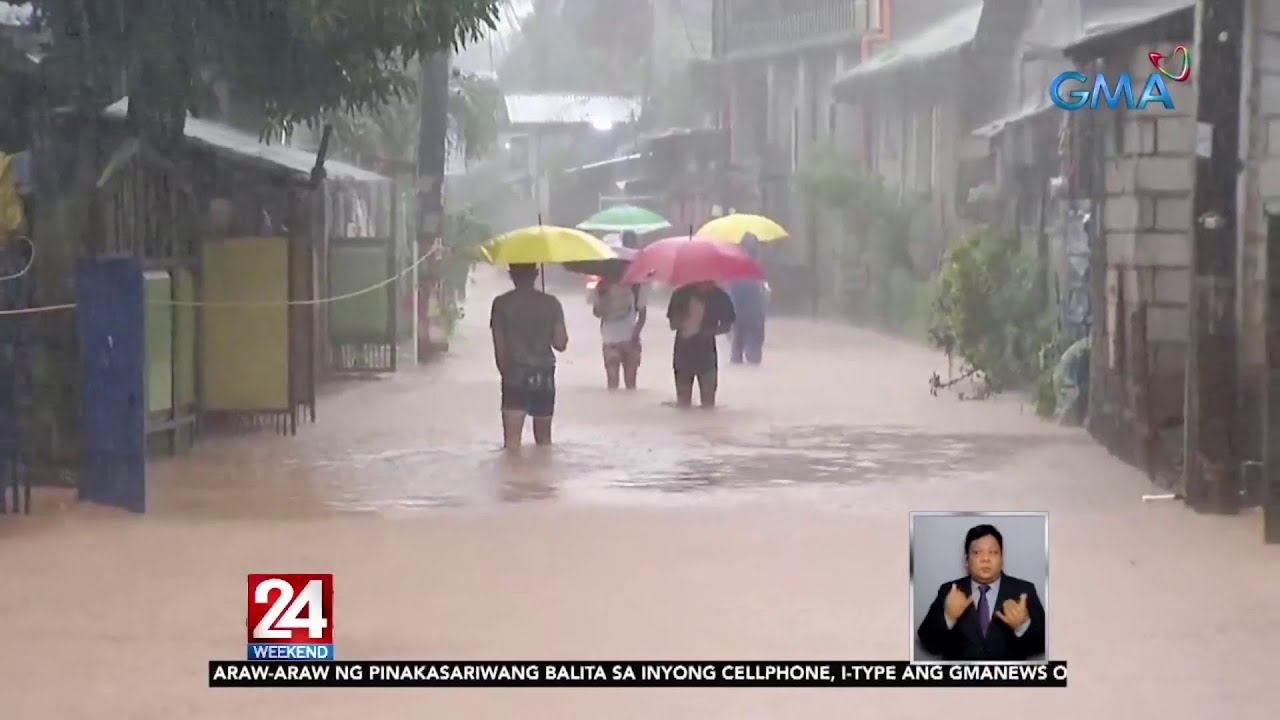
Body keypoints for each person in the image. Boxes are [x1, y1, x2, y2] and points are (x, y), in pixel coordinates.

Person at [916, 524, 1047, 661]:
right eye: (977, 552)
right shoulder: (949, 591)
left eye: (993, 552)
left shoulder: (1024, 591)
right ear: (966, 560)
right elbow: (928, 643)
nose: (986, 559)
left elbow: (1041, 646)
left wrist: (1023, 625)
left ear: (1002, 559)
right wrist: (948, 617)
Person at [489, 264, 568, 449]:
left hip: (514, 375)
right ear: (536, 274)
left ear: (511, 275)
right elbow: (561, 344)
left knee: (512, 444)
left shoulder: (501, 304)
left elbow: (499, 346)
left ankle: (513, 476)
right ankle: (542, 476)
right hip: (544, 375)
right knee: (544, 443)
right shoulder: (551, 303)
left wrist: (505, 375)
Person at [666, 280, 735, 407]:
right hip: (683, 352)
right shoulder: (681, 294)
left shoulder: (719, 296)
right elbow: (673, 324)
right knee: (683, 404)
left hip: (707, 351)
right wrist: (689, 319)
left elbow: (727, 326)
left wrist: (706, 332)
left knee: (709, 405)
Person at [590, 270, 647, 390]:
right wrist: (636, 334)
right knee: (631, 385)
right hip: (630, 339)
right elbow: (642, 316)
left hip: (610, 341)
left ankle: (613, 408)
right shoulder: (635, 286)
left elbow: (596, 313)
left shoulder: (602, 286)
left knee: (612, 384)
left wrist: (603, 295)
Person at [726, 232, 768, 364]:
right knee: (752, 348)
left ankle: (743, 358)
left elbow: (730, 285)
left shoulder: (736, 263)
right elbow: (762, 289)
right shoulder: (756, 265)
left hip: (739, 309)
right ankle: (750, 359)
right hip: (751, 310)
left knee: (738, 346)